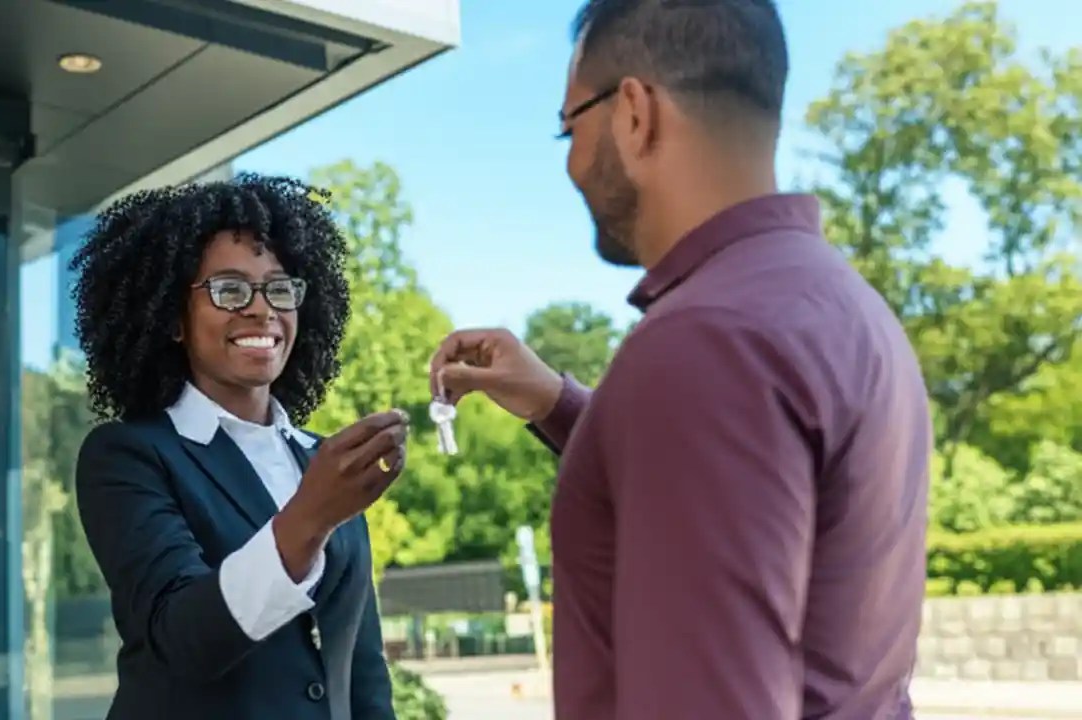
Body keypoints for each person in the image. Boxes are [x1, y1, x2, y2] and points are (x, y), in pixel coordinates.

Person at [431, 1, 930, 718]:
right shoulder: (845, 309)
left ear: (634, 113)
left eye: (568, 126)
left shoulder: (703, 343)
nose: (570, 161)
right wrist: (558, 404)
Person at [72, 176, 404, 720]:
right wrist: (310, 516)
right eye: (229, 290)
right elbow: (182, 637)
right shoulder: (129, 456)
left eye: (278, 289)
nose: (261, 310)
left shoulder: (323, 461)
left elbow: (361, 666)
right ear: (173, 318)